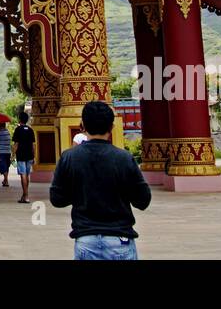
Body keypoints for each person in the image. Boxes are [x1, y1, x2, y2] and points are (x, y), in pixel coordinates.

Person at [49, 101, 152, 260]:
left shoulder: (69, 157)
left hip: (85, 239)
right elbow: (143, 200)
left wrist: (79, 192)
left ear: (83, 125)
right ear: (111, 127)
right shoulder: (124, 158)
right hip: (120, 239)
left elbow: (57, 199)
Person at [11, 111, 37, 203]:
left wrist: (13, 155)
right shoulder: (30, 130)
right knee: (27, 174)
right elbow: (33, 145)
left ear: (19, 119)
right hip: (29, 155)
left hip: (21, 156)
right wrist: (34, 156)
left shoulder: (18, 130)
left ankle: (26, 196)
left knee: (23, 175)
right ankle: (24, 194)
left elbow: (16, 144)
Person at [0, 120, 13, 187]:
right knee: (6, 166)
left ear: (0, 126)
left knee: (3, 166)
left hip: (2, 152)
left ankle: (6, 180)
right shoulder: (8, 132)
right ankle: (5, 181)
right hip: (8, 152)